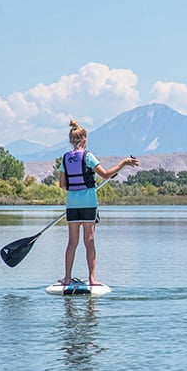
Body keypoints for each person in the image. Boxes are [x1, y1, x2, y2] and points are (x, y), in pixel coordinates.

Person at [59, 120, 139, 286]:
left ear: (71, 140)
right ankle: (92, 279)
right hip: (88, 204)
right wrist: (123, 163)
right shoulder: (88, 156)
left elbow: (63, 185)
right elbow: (106, 175)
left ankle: (67, 278)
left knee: (72, 242)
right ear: (85, 140)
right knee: (89, 241)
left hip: (72, 205)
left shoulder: (65, 158)